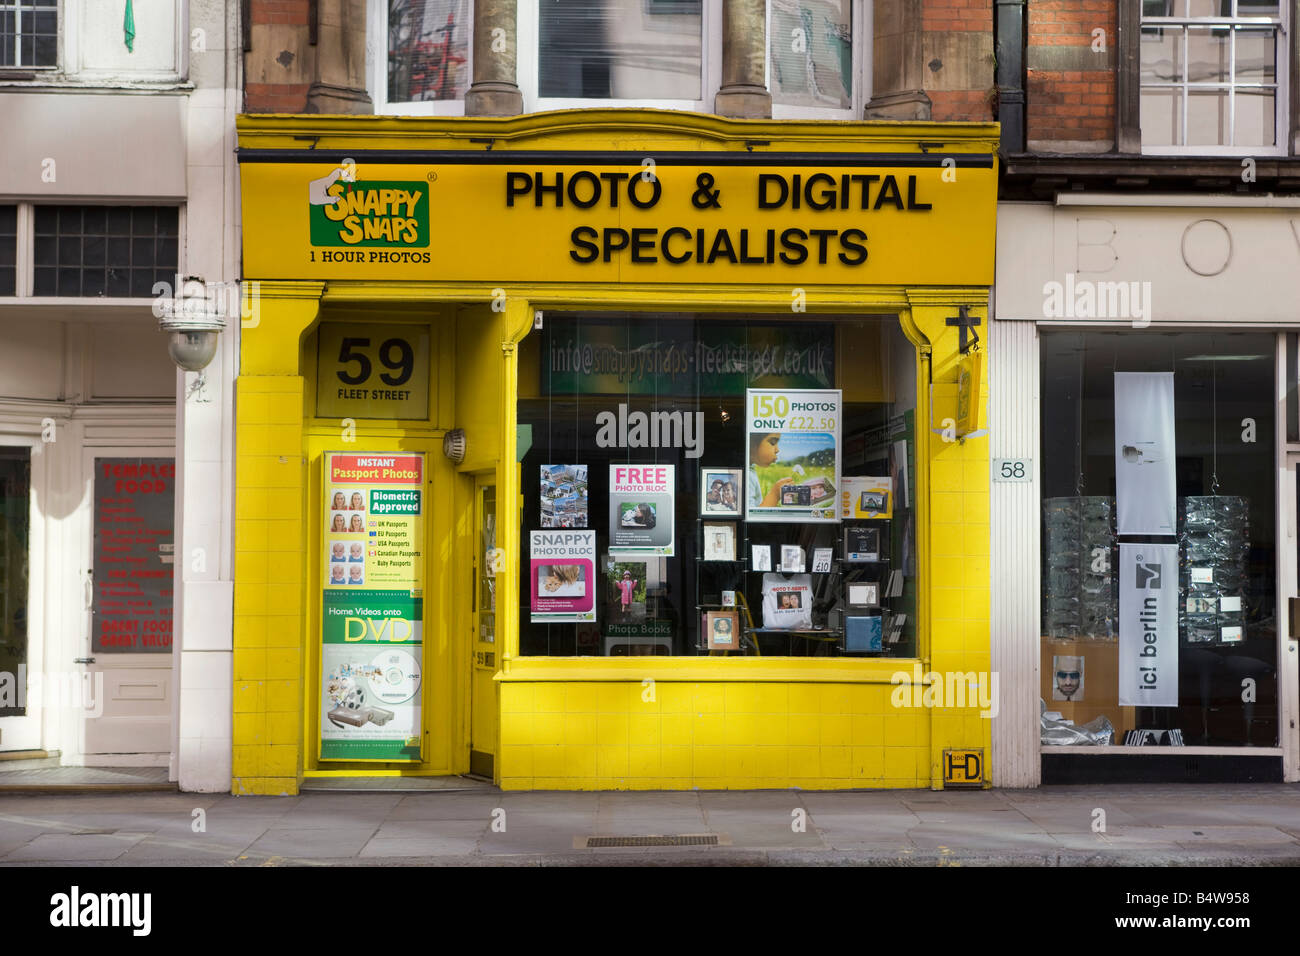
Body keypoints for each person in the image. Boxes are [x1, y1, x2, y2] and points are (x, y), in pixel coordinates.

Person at [748, 432, 792, 507]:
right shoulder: (747, 475)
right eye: (773, 443)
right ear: (751, 444)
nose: (777, 450)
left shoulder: (750, 470)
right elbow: (754, 516)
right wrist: (775, 495)